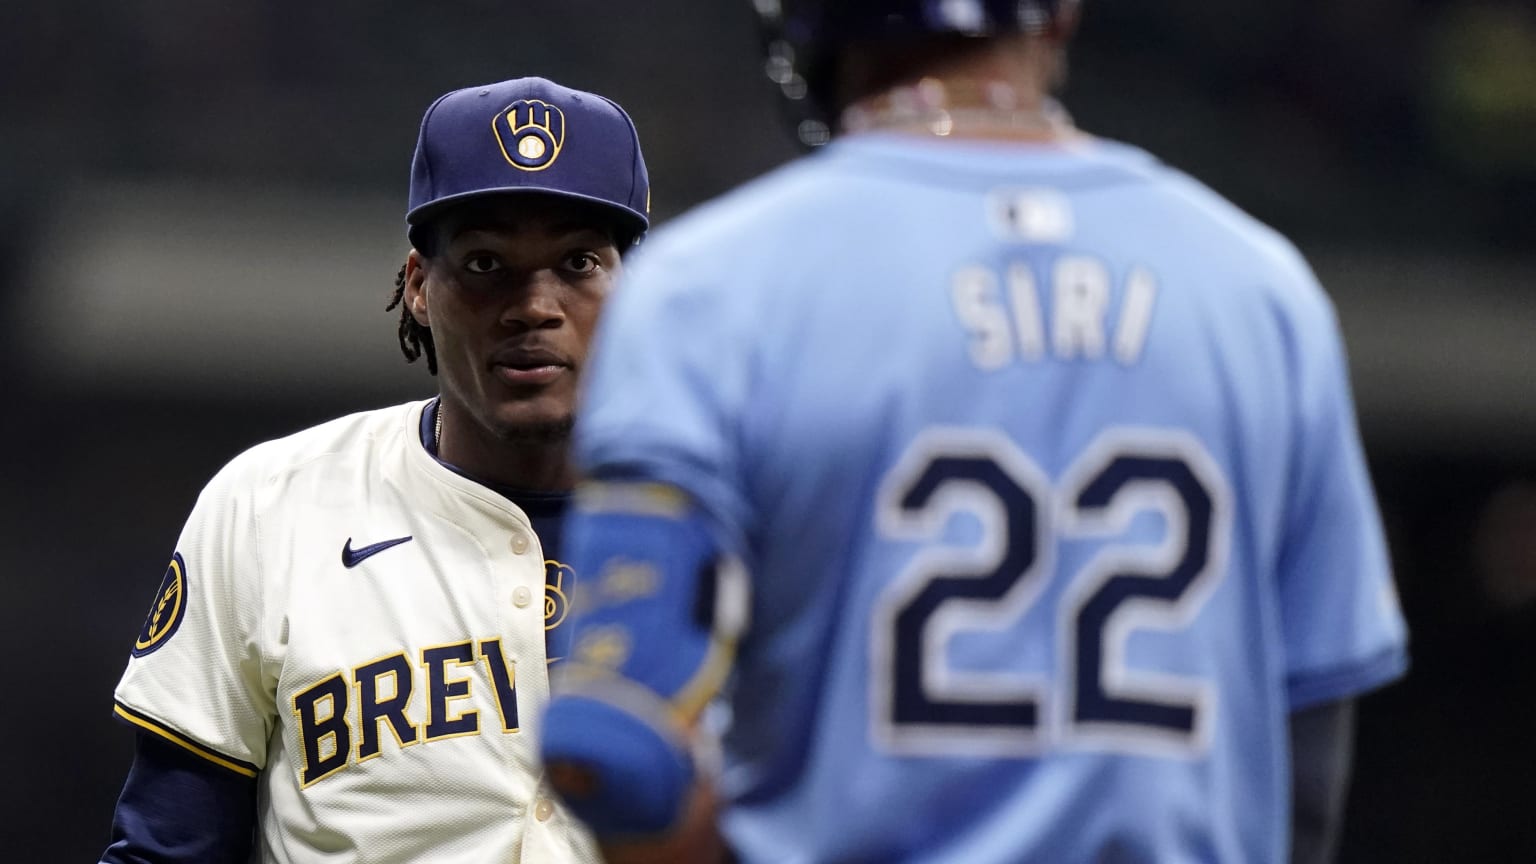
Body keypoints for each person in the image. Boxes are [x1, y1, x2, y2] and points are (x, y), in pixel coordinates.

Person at [539, 2, 1409, 862]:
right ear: (1058, 16)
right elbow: (1304, 753)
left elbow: (612, 750)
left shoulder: (708, 286)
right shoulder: (1259, 290)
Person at [101, 76, 649, 863]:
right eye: (487, 261)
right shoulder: (271, 503)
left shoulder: (736, 514)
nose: (534, 304)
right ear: (419, 288)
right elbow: (166, 848)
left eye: (577, 261)